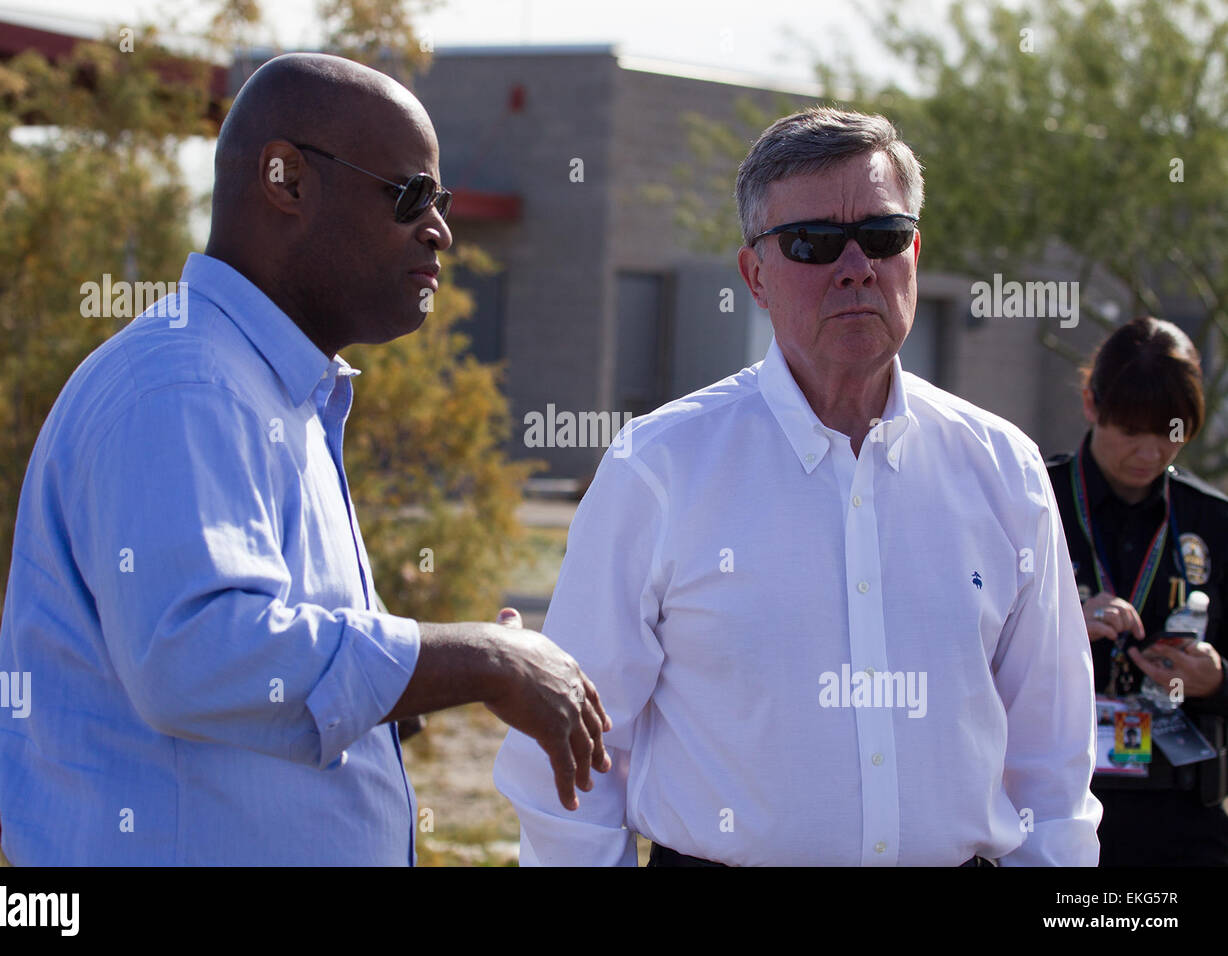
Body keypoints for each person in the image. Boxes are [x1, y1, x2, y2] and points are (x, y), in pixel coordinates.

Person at [0, 52, 610, 866]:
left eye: (443, 201)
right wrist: (482, 661)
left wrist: (429, 682)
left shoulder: (261, 386)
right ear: (283, 178)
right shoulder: (185, 384)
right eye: (410, 194)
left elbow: (254, 689)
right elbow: (196, 655)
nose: (440, 229)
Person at [494, 107, 1102, 866]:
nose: (856, 267)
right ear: (754, 275)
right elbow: (571, 753)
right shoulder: (659, 468)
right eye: (813, 243)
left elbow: (1053, 763)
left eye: (881, 238)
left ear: (913, 251)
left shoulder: (1004, 470)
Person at [1046, 316, 1228, 866]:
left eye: (1169, 433)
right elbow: (963, 648)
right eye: (1131, 431)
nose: (1150, 453)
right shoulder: (1030, 500)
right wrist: (1059, 627)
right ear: (1091, 403)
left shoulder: (1213, 522)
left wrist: (1216, 679)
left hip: (1180, 817)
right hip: (1052, 811)